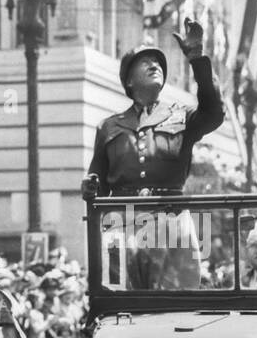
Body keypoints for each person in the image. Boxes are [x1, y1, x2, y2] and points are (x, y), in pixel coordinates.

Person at [85, 19, 222, 290]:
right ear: (128, 80)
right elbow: (96, 178)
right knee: (117, 301)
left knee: (178, 305)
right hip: (120, 225)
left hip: (171, 222)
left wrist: (198, 60)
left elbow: (213, 113)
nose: (154, 65)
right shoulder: (109, 127)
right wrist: (89, 184)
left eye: (158, 62)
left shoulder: (181, 116)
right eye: (144, 61)